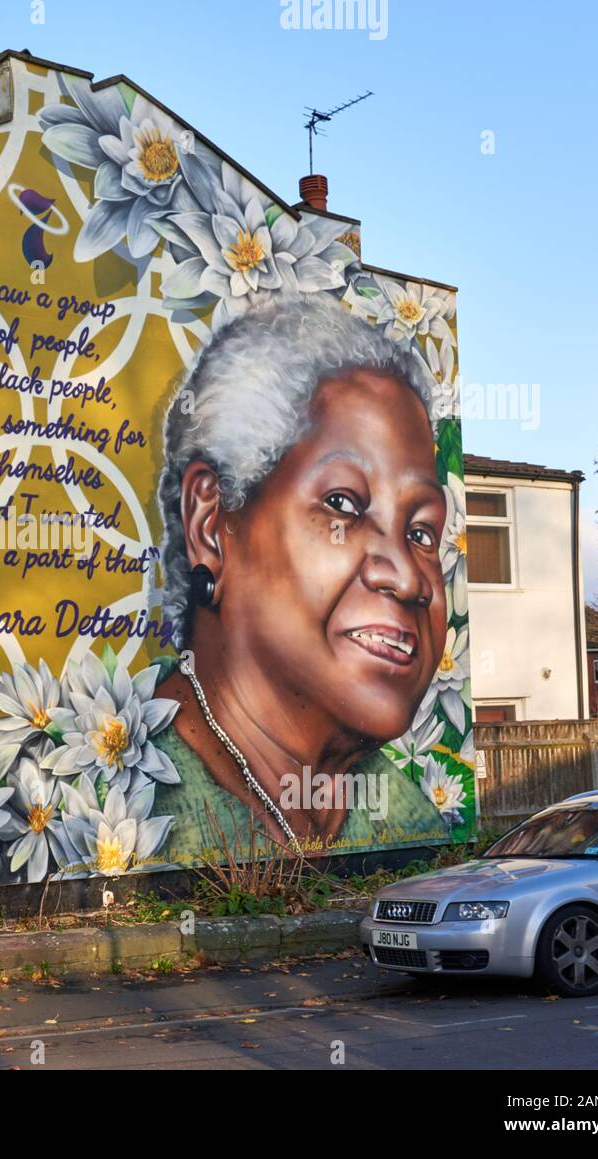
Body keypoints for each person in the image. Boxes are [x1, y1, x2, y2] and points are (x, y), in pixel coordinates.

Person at [152, 294, 451, 857]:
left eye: (421, 532)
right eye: (343, 503)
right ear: (210, 523)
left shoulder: (413, 823)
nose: (408, 580)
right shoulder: (127, 806)